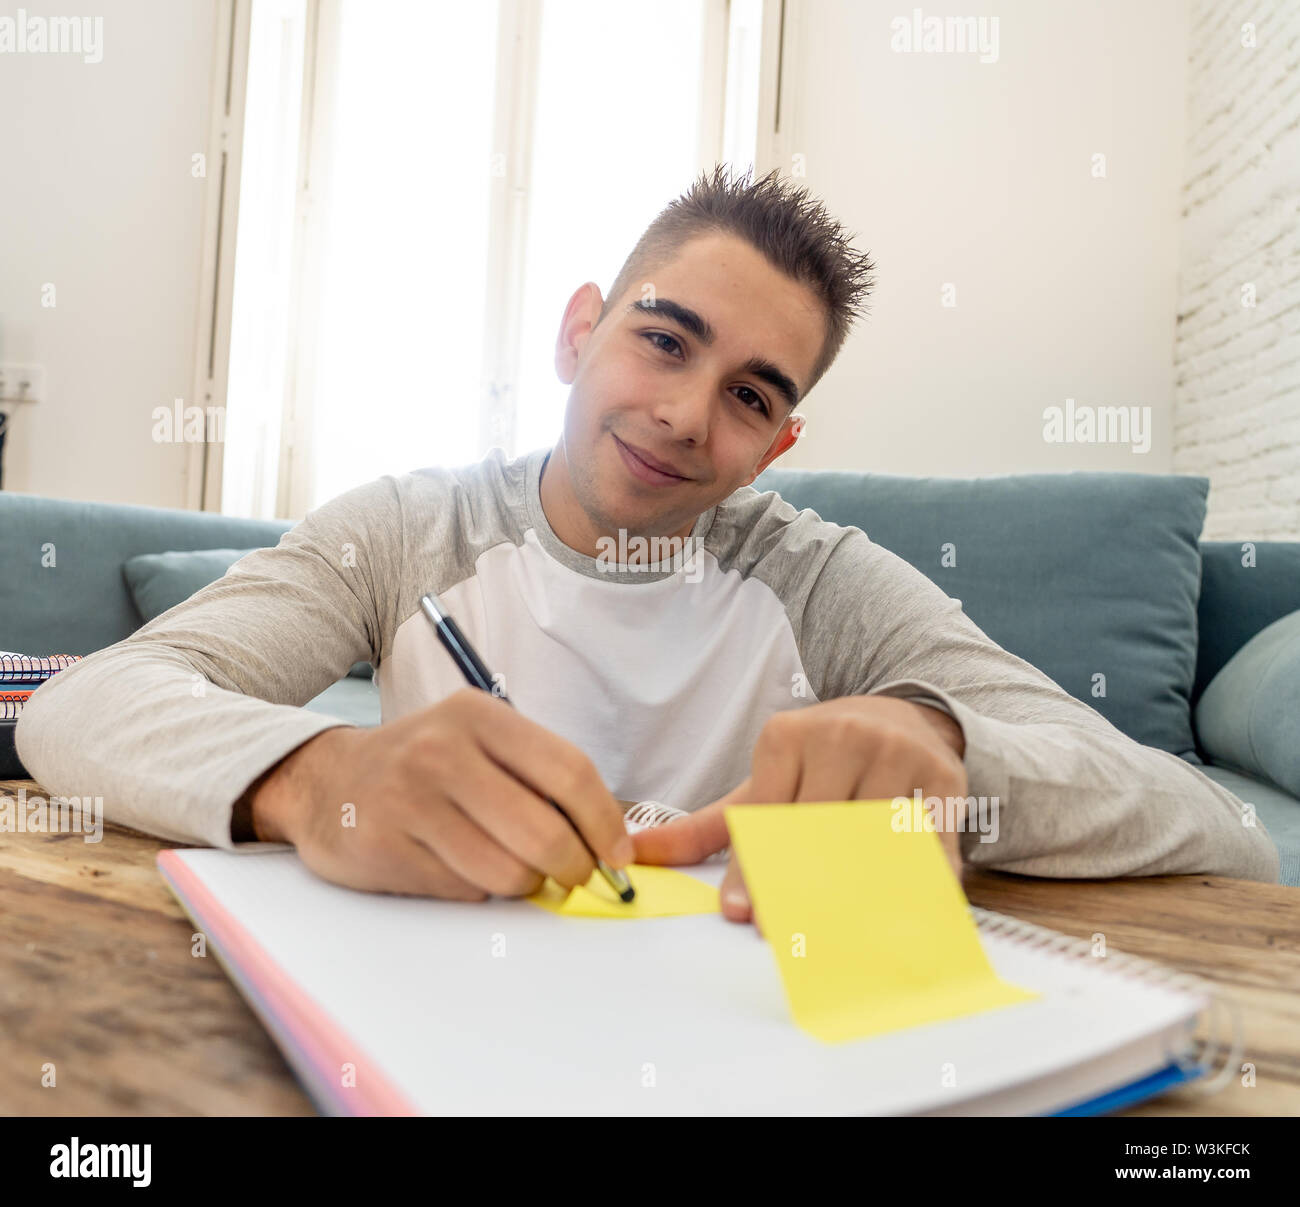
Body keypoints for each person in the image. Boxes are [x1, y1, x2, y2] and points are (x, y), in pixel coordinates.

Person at [17, 165, 1279, 924]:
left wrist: (943, 741)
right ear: (578, 333)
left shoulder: (824, 581)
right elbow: (85, 709)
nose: (684, 414)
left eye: (750, 394)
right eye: (662, 341)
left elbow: (1214, 827)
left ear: (779, 442)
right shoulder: (407, 527)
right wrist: (317, 779)